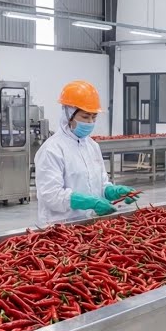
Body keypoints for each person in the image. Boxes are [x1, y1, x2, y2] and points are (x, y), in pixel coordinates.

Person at [34, 80, 137, 225]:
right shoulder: (52, 149)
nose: (90, 122)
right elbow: (50, 195)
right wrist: (85, 201)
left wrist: (112, 191)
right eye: (85, 117)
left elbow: (100, 184)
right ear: (68, 115)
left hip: (90, 222)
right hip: (60, 227)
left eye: (93, 117)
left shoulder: (92, 146)